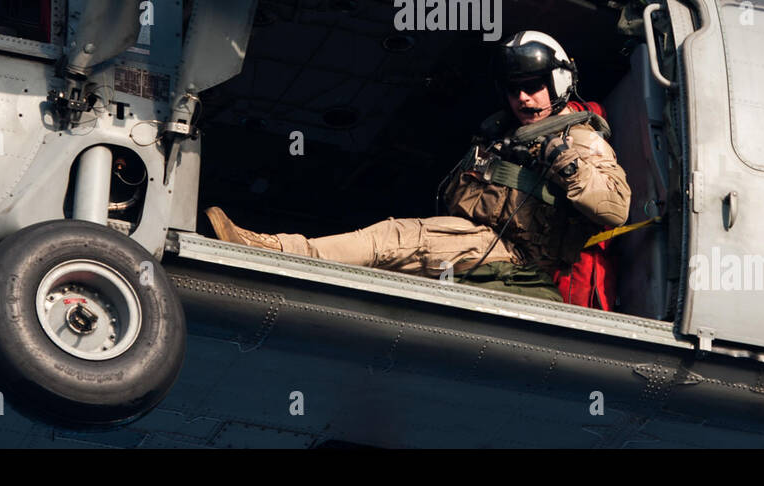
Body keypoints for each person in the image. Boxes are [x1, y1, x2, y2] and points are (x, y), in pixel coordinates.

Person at [205, 31, 631, 301]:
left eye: (533, 88)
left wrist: (564, 162)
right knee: (394, 247)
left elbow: (615, 209)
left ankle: (278, 250)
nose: (523, 99)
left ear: (556, 83)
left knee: (396, 238)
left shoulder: (578, 137)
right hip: (483, 241)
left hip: (520, 259)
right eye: (515, 90)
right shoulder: (503, 135)